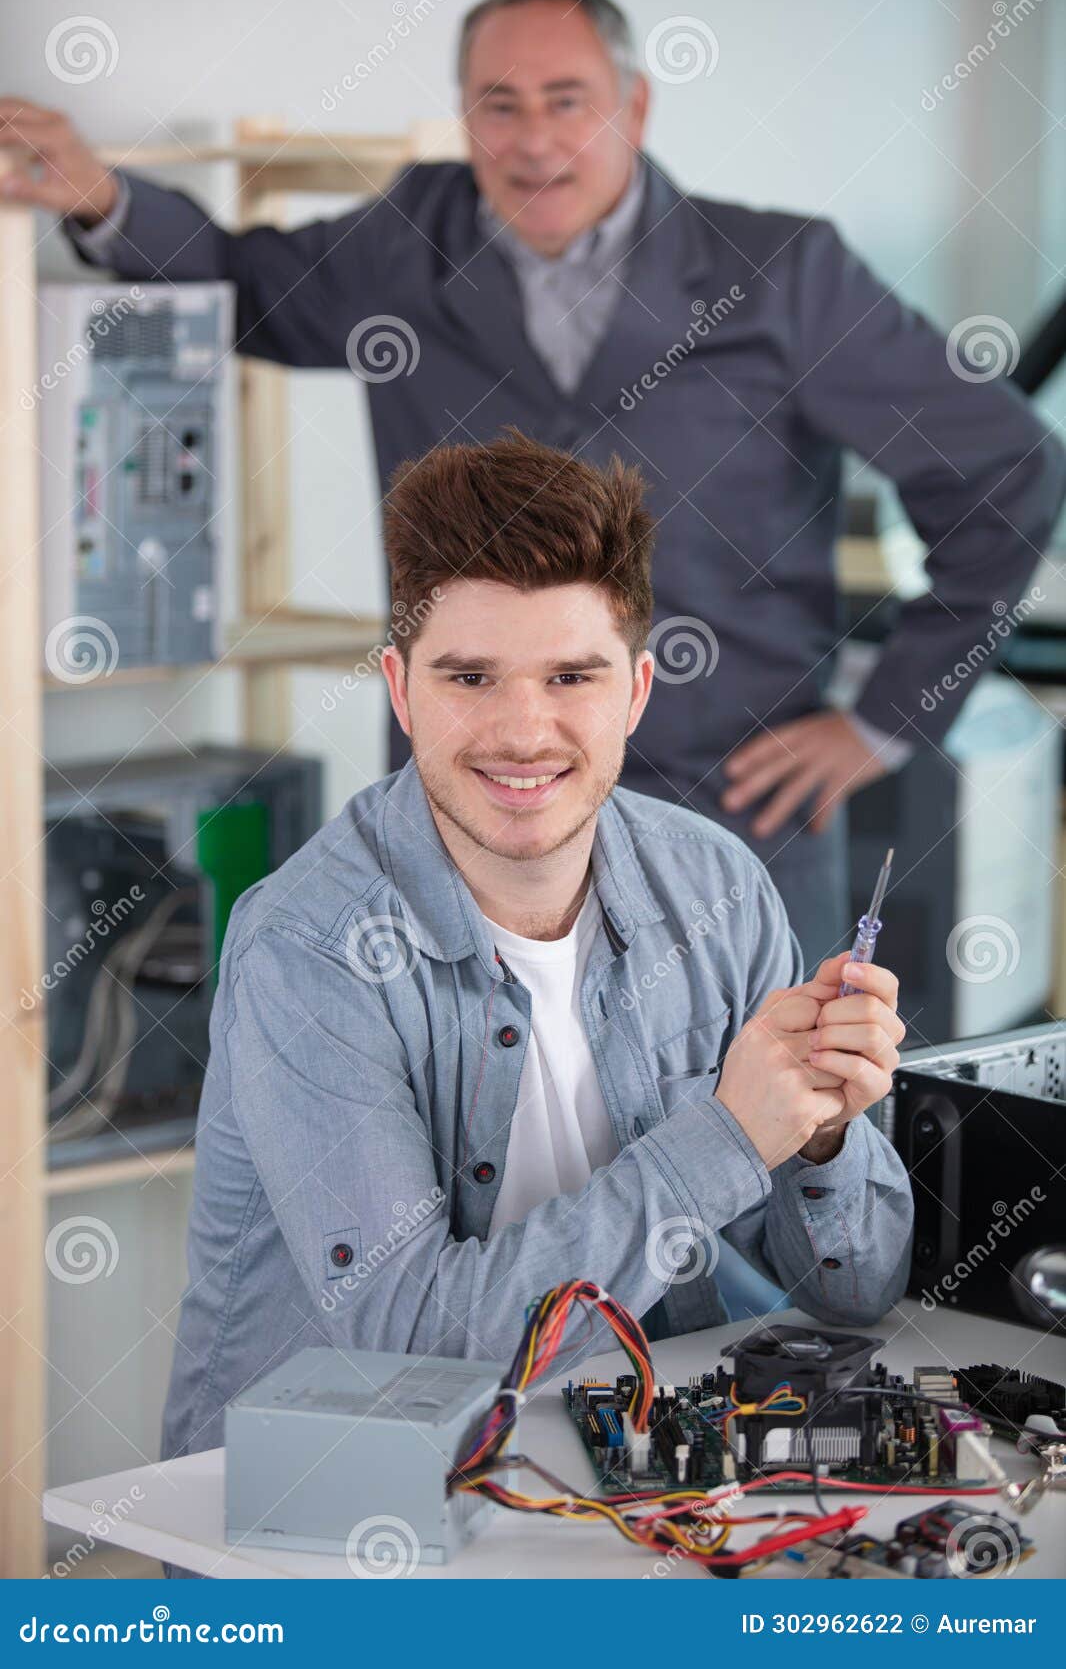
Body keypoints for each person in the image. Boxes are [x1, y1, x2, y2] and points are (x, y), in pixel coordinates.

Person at [6, 0, 1055, 966]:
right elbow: (244, 281)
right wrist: (101, 198)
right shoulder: (407, 247)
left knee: (753, 1098)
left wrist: (886, 722)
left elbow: (1005, 467)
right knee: (466, 1099)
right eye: (498, 106)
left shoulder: (781, 275)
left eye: (568, 101)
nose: (535, 141)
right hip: (466, 821)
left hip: (724, 813)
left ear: (634, 108)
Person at [158, 431, 911, 1520]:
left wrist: (823, 1132)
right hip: (319, 1523)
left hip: (611, 1492)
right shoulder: (308, 948)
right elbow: (411, 1344)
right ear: (400, 690)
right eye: (470, 677)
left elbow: (858, 1293)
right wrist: (732, 1136)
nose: (523, 731)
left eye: (571, 677)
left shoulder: (716, 889)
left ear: (636, 691)